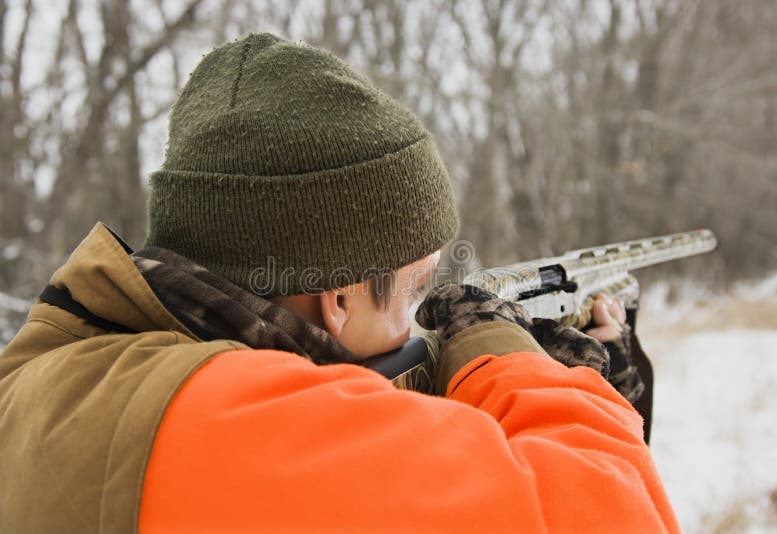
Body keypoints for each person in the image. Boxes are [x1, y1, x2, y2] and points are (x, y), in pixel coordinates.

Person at [0, 33, 679, 532]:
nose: (421, 324)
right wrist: (509, 358)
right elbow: (615, 513)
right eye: (416, 292)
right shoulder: (236, 424)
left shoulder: (48, 377)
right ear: (341, 298)